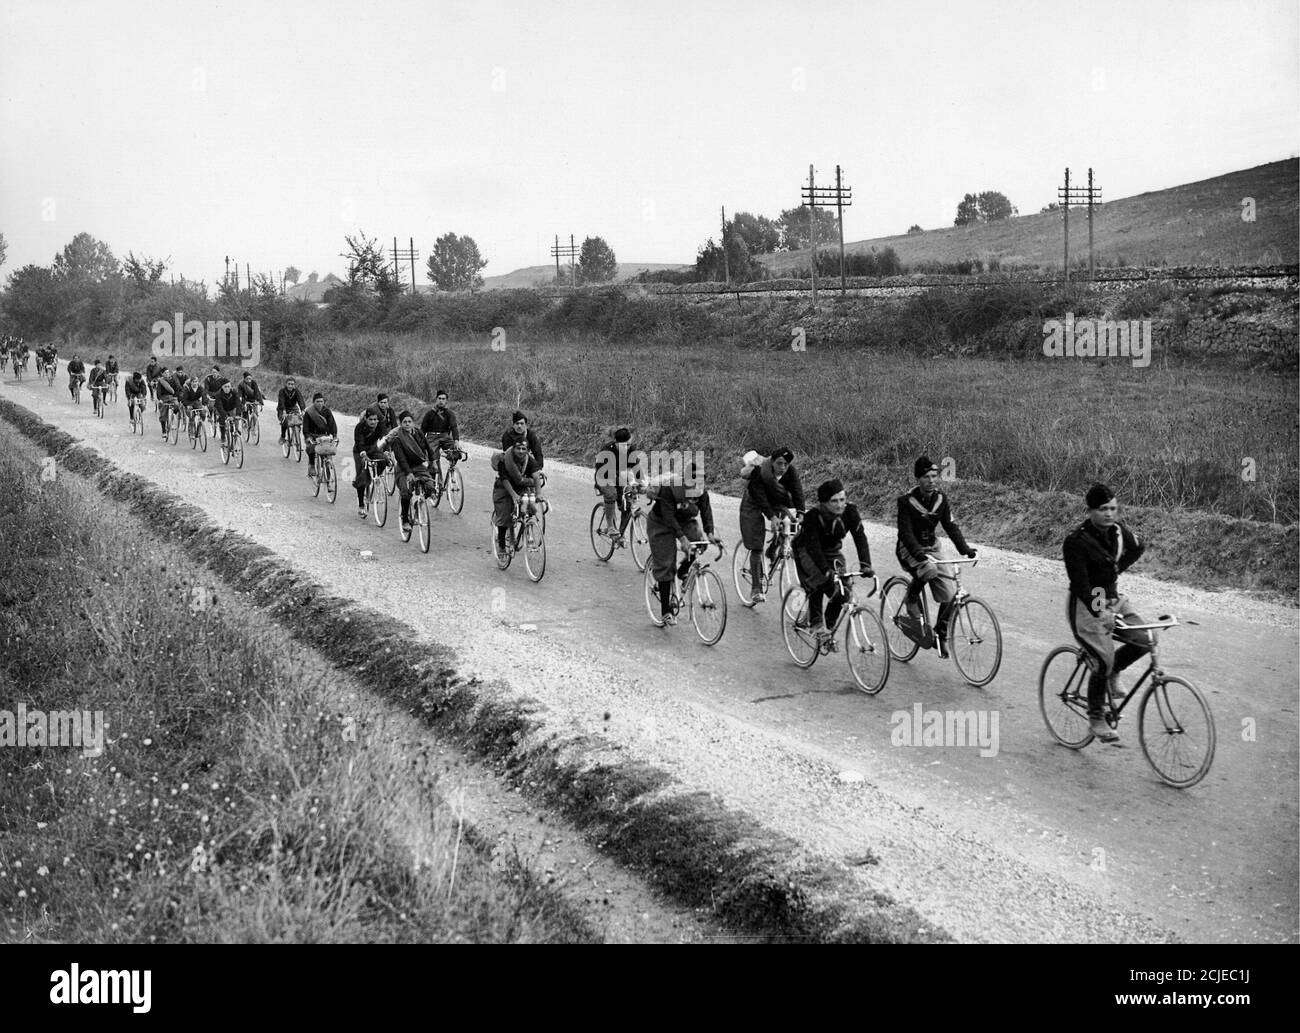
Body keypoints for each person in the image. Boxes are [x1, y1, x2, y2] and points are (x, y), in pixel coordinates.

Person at [1064, 483, 1151, 743]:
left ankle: (1115, 670)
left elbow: (1138, 547)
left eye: (1113, 508)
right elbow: (1081, 586)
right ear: (1090, 511)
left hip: (1113, 599)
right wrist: (1101, 611)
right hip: (1087, 604)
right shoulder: (1076, 542)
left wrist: (1114, 571)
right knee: (1103, 659)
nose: (1109, 514)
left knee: (1145, 639)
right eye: (1103, 509)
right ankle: (1096, 717)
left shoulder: (1118, 532)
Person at [896, 456, 977, 658]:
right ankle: (912, 597)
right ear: (918, 479)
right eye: (926, 477)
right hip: (909, 549)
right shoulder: (906, 502)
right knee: (929, 570)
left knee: (950, 594)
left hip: (932, 547)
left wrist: (964, 549)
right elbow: (904, 533)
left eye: (934, 476)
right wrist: (918, 553)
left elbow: (950, 526)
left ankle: (940, 634)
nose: (931, 480)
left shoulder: (940, 499)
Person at [793, 479, 874, 647]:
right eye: (834, 501)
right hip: (806, 550)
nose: (839, 505)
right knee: (820, 579)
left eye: (842, 499)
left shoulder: (850, 512)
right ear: (823, 503)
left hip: (832, 552)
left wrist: (865, 564)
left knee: (844, 589)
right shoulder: (813, 517)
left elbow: (860, 538)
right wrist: (825, 569)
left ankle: (828, 627)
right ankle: (816, 623)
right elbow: (813, 547)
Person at [644, 457, 720, 626]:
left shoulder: (700, 490)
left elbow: (706, 511)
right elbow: (669, 517)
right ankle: (666, 611)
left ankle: (683, 570)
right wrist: (682, 538)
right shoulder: (669, 489)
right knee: (666, 563)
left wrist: (710, 532)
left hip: (685, 521)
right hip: (661, 522)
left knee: (699, 544)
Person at [739, 446, 805, 604]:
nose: (783, 467)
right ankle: (756, 588)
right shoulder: (760, 471)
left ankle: (772, 551)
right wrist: (772, 517)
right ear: (772, 461)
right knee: (756, 544)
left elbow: (797, 491)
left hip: (775, 501)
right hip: (754, 501)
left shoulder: (791, 472)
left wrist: (801, 513)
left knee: (791, 527)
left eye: (786, 464)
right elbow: (759, 496)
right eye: (779, 463)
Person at [492, 437, 545, 559]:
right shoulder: (504, 459)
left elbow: (536, 475)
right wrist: (514, 495)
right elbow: (504, 480)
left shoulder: (528, 459)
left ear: (527, 450)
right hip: (504, 488)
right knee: (504, 516)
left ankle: (526, 526)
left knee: (529, 506)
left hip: (521, 487)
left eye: (524, 449)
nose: (521, 451)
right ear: (513, 448)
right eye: (518, 448)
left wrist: (539, 494)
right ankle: (501, 546)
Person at [391, 410, 438, 534]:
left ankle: (418, 505)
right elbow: (400, 458)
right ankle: (405, 519)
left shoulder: (418, 433)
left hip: (418, 466)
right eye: (404, 422)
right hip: (403, 468)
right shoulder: (397, 439)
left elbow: (428, 447)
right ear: (400, 424)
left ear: (413, 422)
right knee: (406, 492)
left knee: (430, 487)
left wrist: (433, 461)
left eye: (409, 422)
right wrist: (408, 473)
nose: (407, 424)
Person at [593, 427, 639, 543]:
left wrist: (639, 483)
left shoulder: (631, 449)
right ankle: (610, 527)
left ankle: (620, 534)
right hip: (604, 477)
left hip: (620, 477)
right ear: (617, 443)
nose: (628, 447)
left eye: (629, 445)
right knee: (611, 494)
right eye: (625, 445)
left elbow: (635, 468)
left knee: (628, 502)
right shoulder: (607, 450)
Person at [352, 408, 395, 519]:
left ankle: (375, 476)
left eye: (375, 419)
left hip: (373, 449)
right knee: (362, 477)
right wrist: (363, 455)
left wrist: (387, 452)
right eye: (370, 419)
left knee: (384, 461)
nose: (373, 422)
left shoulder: (380, 426)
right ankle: (361, 504)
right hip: (360, 451)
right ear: (366, 419)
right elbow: (359, 443)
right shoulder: (359, 427)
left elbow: (385, 440)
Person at [420, 389, 461, 485]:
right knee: (432, 460)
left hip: (445, 437)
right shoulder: (429, 414)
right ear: (436, 399)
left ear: (446, 401)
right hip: (432, 437)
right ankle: (432, 483)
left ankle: (451, 471)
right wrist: (421, 443)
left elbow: (454, 427)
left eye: (443, 399)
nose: (441, 401)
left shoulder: (449, 414)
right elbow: (423, 430)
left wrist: (456, 440)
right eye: (439, 398)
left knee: (456, 452)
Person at [301, 392, 338, 478]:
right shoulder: (309, 412)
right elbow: (305, 427)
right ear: (313, 402)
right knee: (311, 448)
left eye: (321, 401)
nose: (320, 403)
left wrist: (335, 435)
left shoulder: (327, 411)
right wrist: (307, 437)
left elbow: (332, 424)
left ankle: (329, 476)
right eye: (317, 401)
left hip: (324, 436)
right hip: (312, 436)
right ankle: (312, 465)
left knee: (328, 452)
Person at [276, 377, 307, 442]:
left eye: (292, 384)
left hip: (293, 408)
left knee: (298, 420)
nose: (290, 386)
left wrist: (303, 410)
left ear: (294, 385)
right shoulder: (282, 391)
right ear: (286, 384)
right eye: (289, 384)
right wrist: (284, 411)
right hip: (282, 408)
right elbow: (281, 401)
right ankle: (283, 437)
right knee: (284, 421)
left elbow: (300, 400)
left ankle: (296, 435)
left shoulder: (296, 391)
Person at [154, 365, 177, 437]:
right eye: (165, 373)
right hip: (163, 398)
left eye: (168, 372)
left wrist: (177, 397)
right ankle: (164, 431)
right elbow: (158, 392)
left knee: (176, 405)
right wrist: (160, 399)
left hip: (171, 397)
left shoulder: (172, 380)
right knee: (163, 415)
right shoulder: (161, 381)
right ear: (162, 374)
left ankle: (173, 419)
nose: (167, 374)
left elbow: (176, 389)